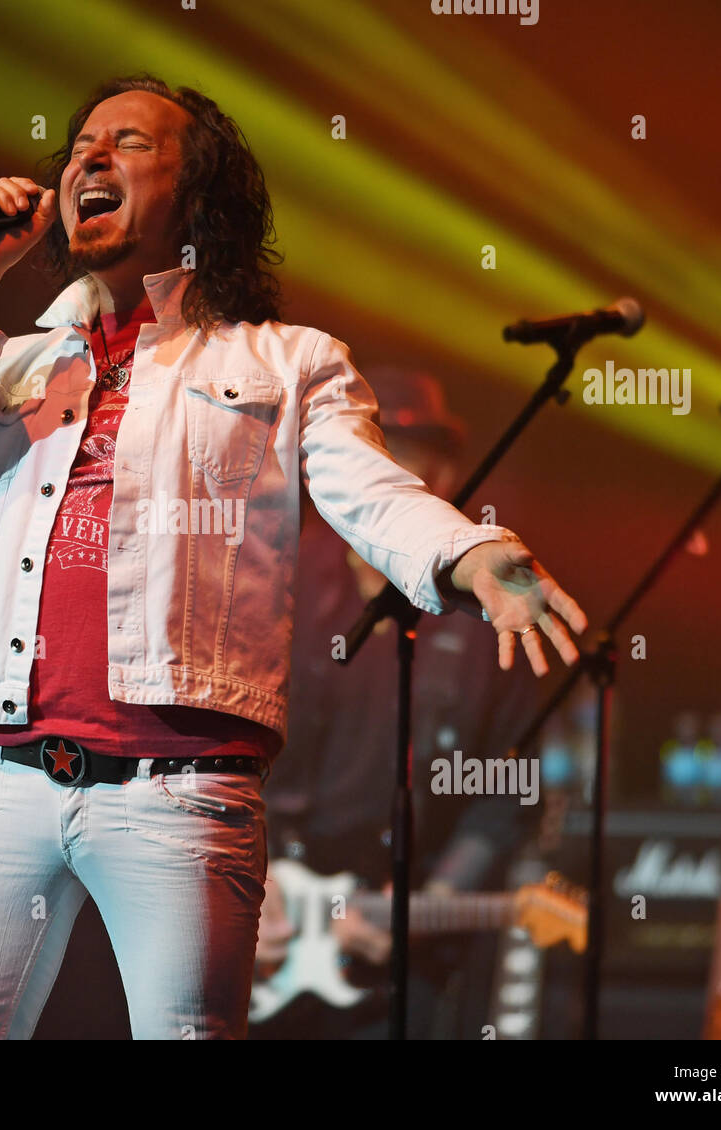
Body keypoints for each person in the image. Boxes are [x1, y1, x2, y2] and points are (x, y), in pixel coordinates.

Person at [0, 74, 587, 1040]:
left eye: (129, 144)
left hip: (178, 790)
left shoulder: (284, 363)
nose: (90, 158)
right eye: (80, 145)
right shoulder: (20, 362)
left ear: (197, 199)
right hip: (2, 783)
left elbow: (372, 493)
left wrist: (470, 551)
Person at [252, 370, 544, 1039]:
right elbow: (219, 749)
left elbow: (506, 789)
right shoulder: (274, 583)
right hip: (259, 915)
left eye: (422, 465)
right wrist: (249, 883)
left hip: (397, 962)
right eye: (388, 464)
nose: (409, 484)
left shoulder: (483, 617)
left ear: (446, 480)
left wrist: (428, 904)